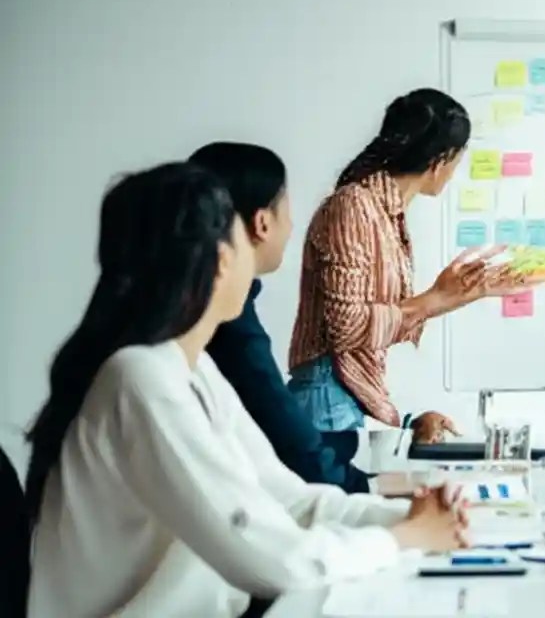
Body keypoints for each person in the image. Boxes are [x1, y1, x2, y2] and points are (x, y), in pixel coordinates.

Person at [25, 162, 468, 618]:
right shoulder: (140, 378)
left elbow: (291, 500)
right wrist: (404, 538)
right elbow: (271, 561)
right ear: (221, 260)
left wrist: (410, 516)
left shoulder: (193, 373)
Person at [288, 88, 541, 444]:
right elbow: (346, 329)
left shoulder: (385, 214)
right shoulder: (353, 207)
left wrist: (463, 294)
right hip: (328, 397)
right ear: (442, 161)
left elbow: (376, 322)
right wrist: (434, 299)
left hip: (347, 395)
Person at [191, 142, 377, 493]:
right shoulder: (229, 327)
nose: (291, 226)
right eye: (286, 211)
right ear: (262, 222)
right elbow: (288, 445)